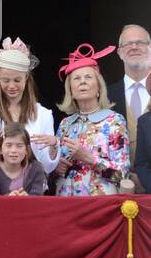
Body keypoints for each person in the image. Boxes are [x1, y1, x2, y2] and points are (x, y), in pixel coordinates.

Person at [55, 44, 130, 197]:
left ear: (99, 89)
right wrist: (56, 168)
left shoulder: (114, 121)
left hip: (100, 206)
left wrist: (90, 159)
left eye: (88, 77)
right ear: (71, 91)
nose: (82, 82)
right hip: (65, 204)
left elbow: (123, 176)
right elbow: (52, 174)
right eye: (76, 78)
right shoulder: (65, 124)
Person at [0, 38, 59, 174]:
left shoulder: (43, 115)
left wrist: (54, 147)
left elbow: (47, 167)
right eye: (5, 80)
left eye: (17, 80)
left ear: (26, 78)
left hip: (33, 189)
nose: (11, 86)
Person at [107, 24, 151, 175]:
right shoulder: (105, 96)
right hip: (120, 184)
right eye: (127, 44)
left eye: (140, 42)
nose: (134, 47)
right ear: (119, 52)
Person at [0, 122, 47, 196]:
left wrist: (28, 199)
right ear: (0, 149)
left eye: (19, 146)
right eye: (8, 145)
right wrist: (8, 199)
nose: (13, 150)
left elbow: (38, 201)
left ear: (27, 150)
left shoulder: (36, 168)